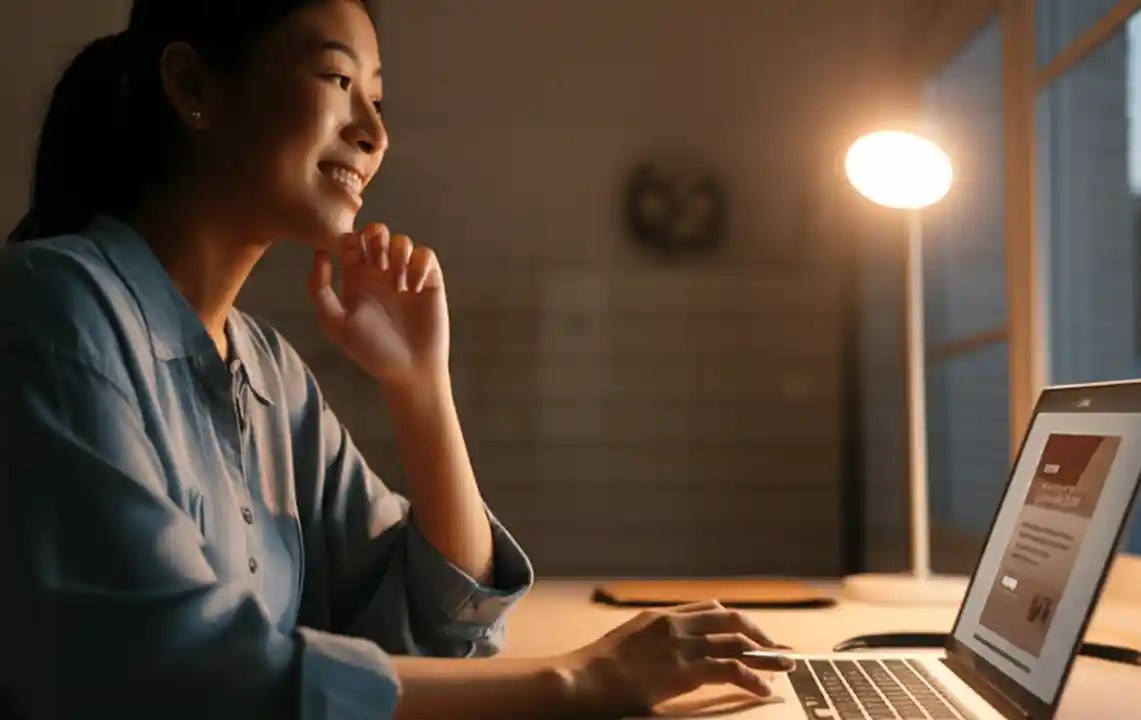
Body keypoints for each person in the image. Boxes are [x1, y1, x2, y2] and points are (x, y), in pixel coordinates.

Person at [0, 1, 795, 718]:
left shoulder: (267, 369)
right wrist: (576, 679)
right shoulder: (56, 306)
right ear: (192, 85)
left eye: (377, 100)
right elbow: (173, 675)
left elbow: (439, 628)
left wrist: (420, 388)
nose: (374, 133)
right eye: (338, 78)